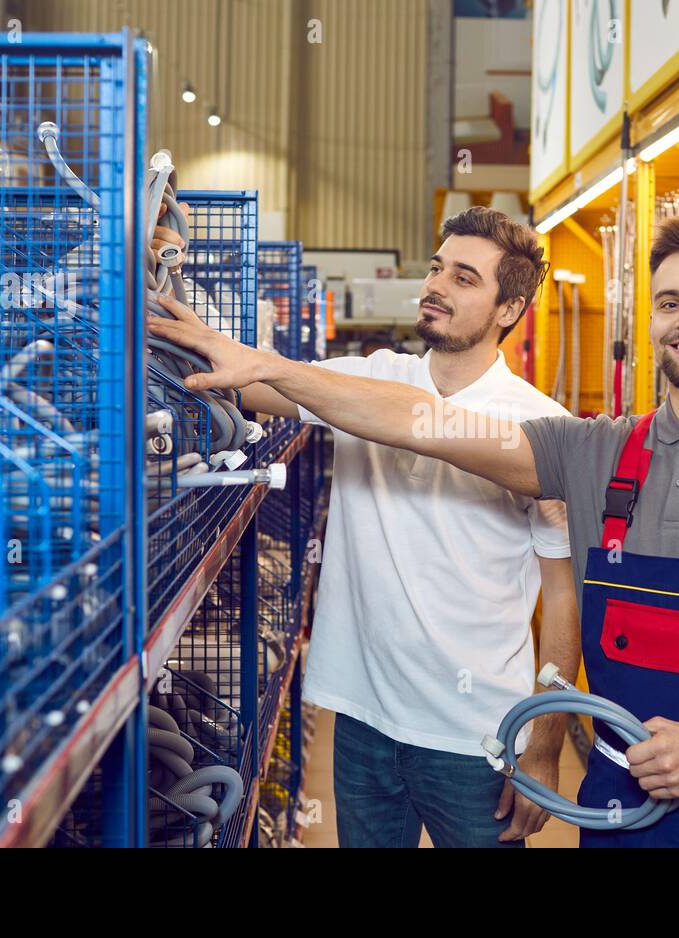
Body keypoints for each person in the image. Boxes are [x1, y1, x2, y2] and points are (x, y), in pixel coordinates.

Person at [149, 214, 679, 848]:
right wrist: (260, 365)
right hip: (615, 796)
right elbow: (428, 426)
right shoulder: (596, 451)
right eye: (670, 303)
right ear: (651, 320)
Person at [152, 206, 579, 848]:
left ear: (508, 309)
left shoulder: (541, 427)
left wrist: (544, 739)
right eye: (437, 268)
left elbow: (566, 591)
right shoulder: (374, 375)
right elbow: (247, 389)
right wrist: (164, 299)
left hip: (477, 731)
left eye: (465, 278)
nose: (437, 285)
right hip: (362, 717)